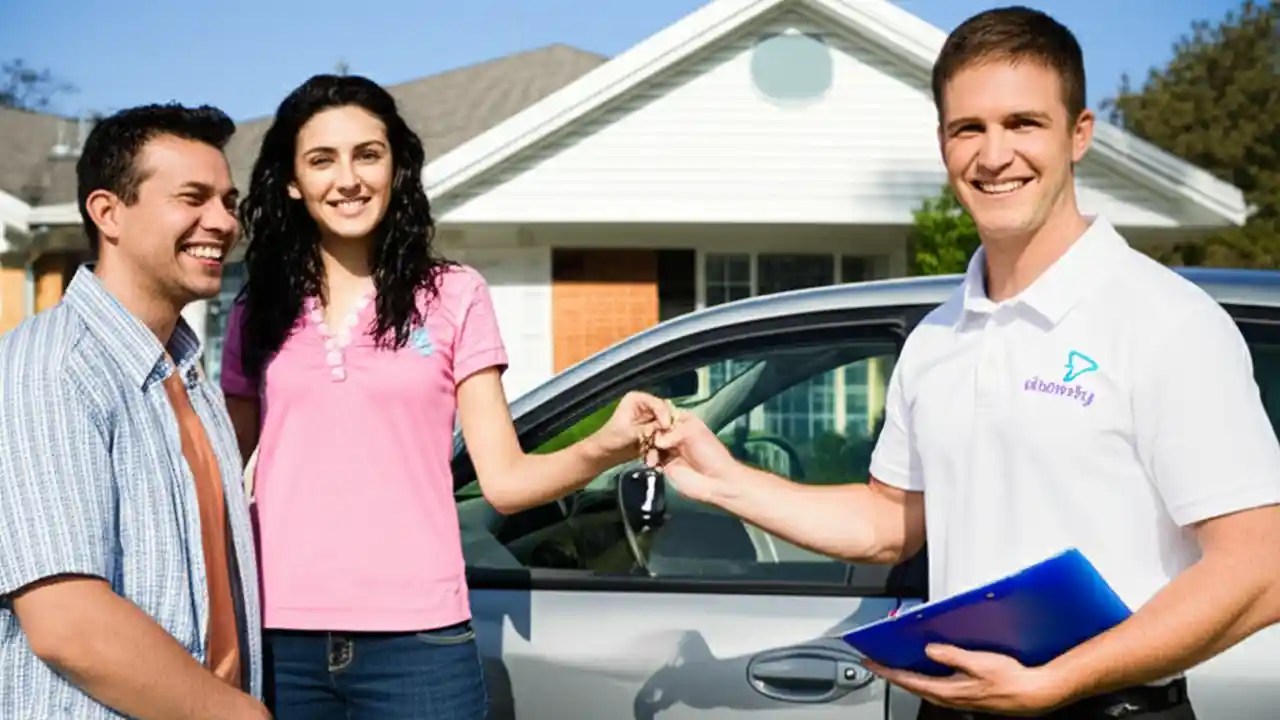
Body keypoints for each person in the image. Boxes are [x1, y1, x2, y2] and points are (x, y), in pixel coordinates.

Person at [649, 6, 1280, 719]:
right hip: (952, 707)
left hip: (1109, 707)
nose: (994, 154)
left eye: (1023, 124)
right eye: (968, 128)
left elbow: (1259, 567)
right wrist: (725, 481)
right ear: (944, 142)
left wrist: (1060, 681)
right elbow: (891, 521)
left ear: (1079, 135)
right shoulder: (937, 337)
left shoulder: (1167, 322)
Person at [221, 73, 671, 719]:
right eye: (322, 159)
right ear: (292, 181)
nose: (347, 179)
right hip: (277, 635)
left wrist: (607, 444)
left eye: (367, 154)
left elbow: (507, 482)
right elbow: (220, 476)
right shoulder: (256, 311)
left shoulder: (454, 294)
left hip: (421, 643)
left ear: (396, 165)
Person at [0, 104, 267, 719]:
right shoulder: (54, 369)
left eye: (228, 202)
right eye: (193, 198)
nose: (222, 222)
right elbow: (69, 622)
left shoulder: (187, 373)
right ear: (108, 212)